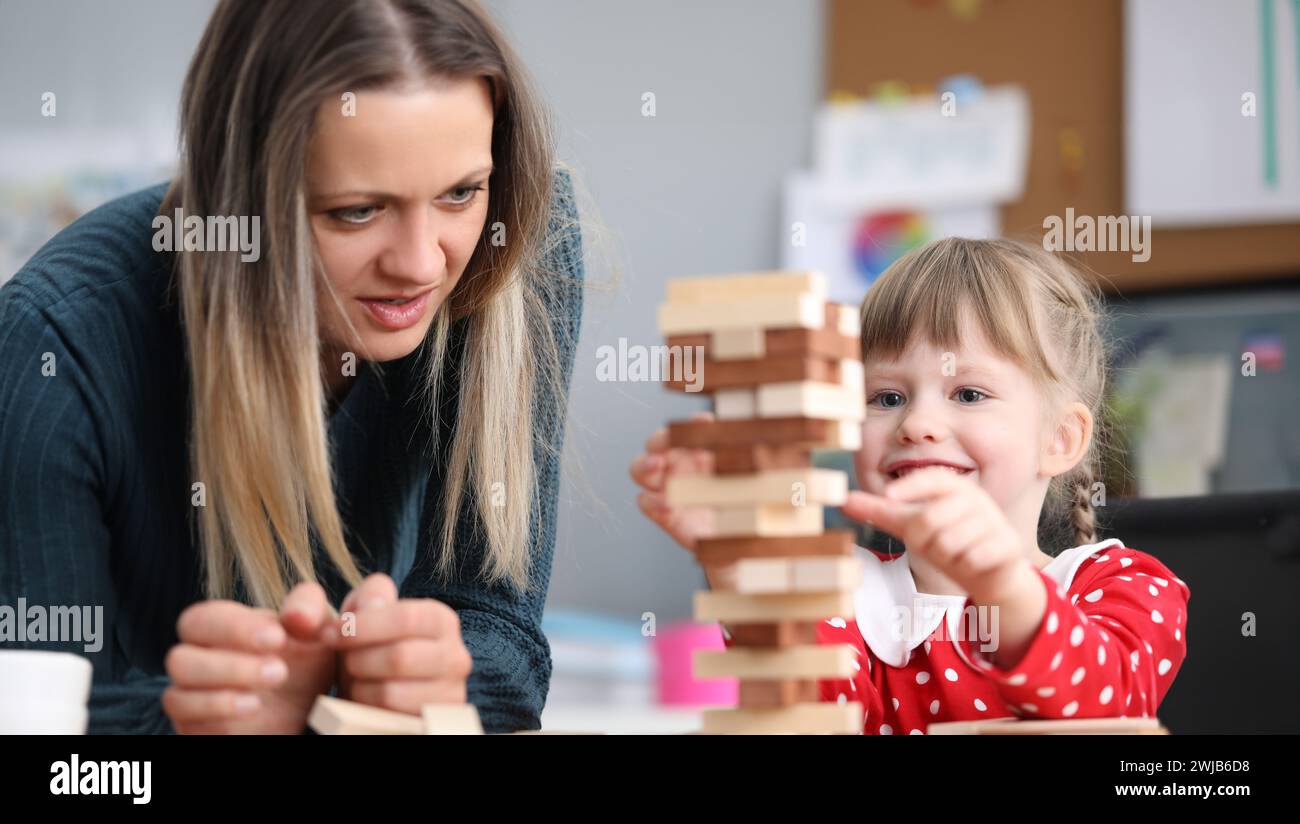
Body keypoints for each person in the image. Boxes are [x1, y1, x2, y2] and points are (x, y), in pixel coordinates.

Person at [0, 0, 583, 734]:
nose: (420, 264)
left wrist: (441, 675)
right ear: (245, 198)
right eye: (356, 211)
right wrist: (203, 721)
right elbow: (32, 729)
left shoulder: (518, 247)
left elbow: (504, 642)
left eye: (461, 193)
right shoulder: (51, 344)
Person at [631, 237, 1189, 734]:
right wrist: (738, 558)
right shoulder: (845, 592)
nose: (916, 424)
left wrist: (1004, 587)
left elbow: (1112, 709)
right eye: (887, 398)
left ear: (1061, 439)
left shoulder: (1125, 587)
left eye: (968, 393)